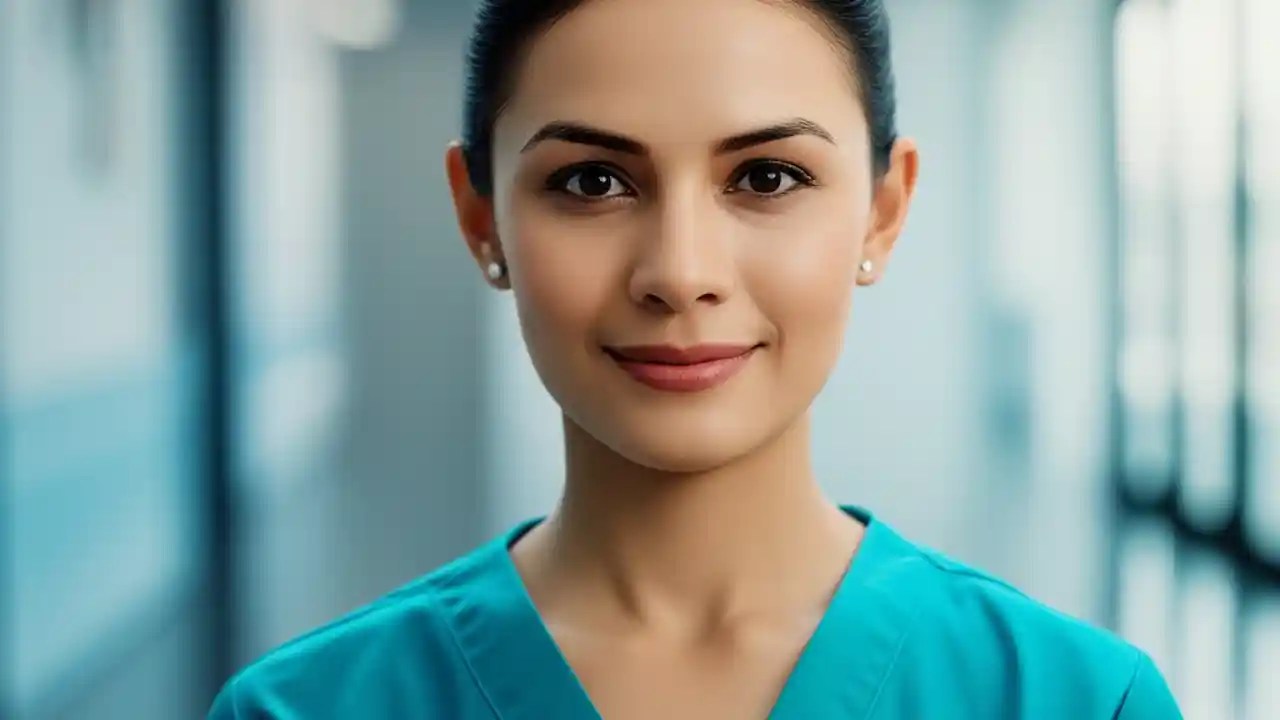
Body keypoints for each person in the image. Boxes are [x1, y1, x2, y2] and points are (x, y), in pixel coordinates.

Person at [208, 0, 1183, 717]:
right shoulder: (299, 711)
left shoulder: (1078, 702)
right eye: (591, 182)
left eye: (768, 176)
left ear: (882, 211)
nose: (680, 274)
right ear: (481, 217)